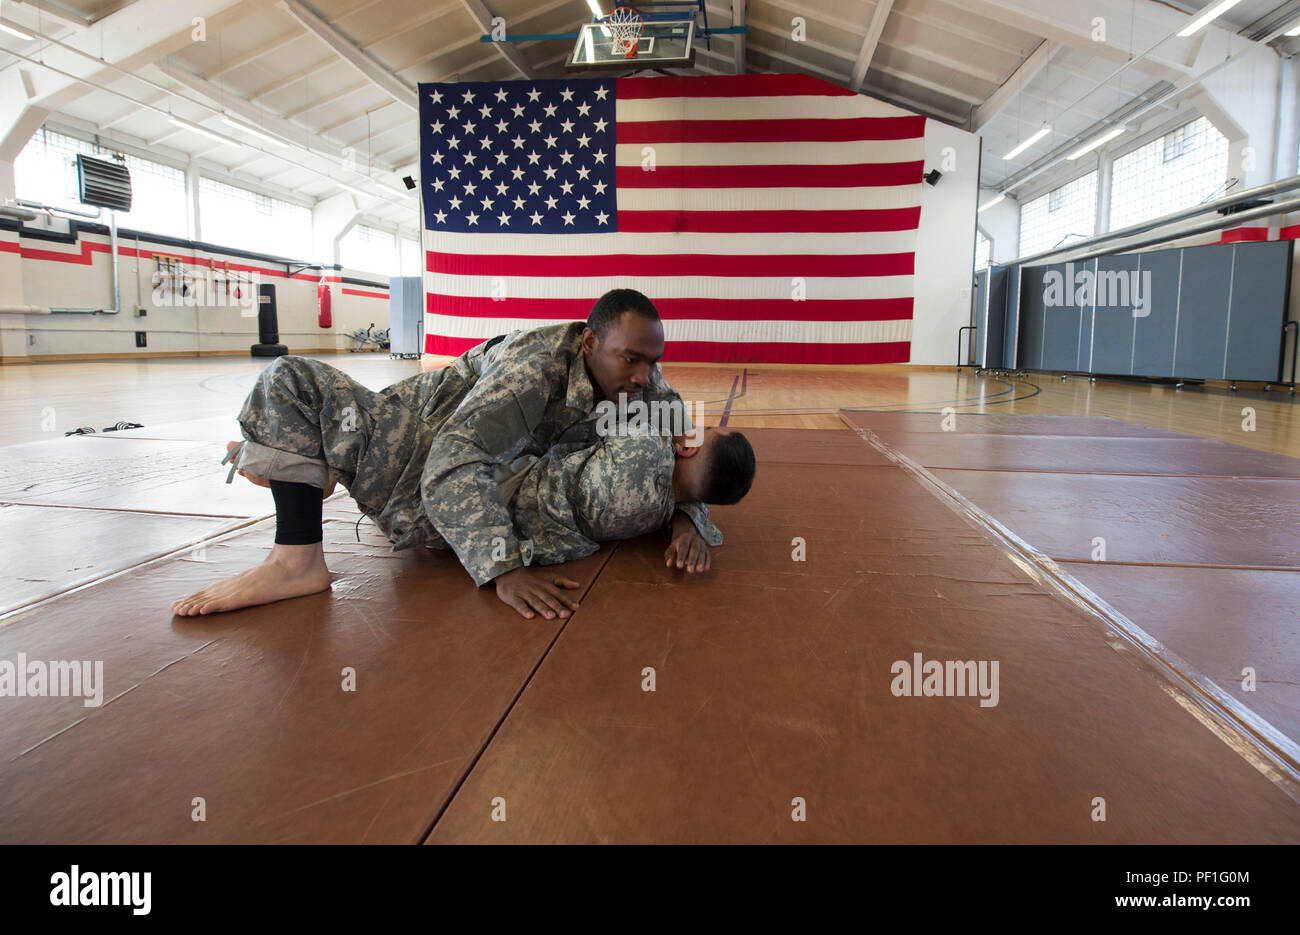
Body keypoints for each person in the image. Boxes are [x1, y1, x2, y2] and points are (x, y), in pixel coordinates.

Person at [171, 289, 738, 618]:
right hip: (421, 440)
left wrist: (687, 518)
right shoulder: (534, 367)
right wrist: (502, 568)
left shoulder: (643, 383)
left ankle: (294, 462)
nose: (643, 377)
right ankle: (295, 559)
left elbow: (686, 454)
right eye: (631, 359)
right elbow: (453, 460)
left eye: (652, 362)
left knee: (295, 435)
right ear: (589, 342)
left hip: (504, 470)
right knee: (289, 382)